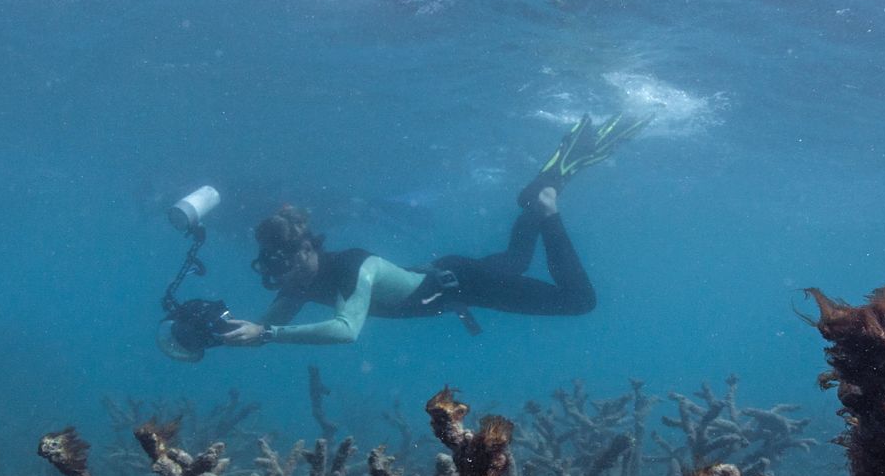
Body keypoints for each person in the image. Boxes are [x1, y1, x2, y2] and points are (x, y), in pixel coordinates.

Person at [160, 114, 648, 359]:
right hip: (447, 276)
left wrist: (266, 332)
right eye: (272, 263)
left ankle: (548, 208)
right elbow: (265, 330)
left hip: (462, 283)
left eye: (285, 260)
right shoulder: (296, 283)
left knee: (578, 301)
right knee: (518, 261)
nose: (279, 272)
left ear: (309, 246)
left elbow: (345, 330)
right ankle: (539, 196)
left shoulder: (355, 264)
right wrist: (218, 331)